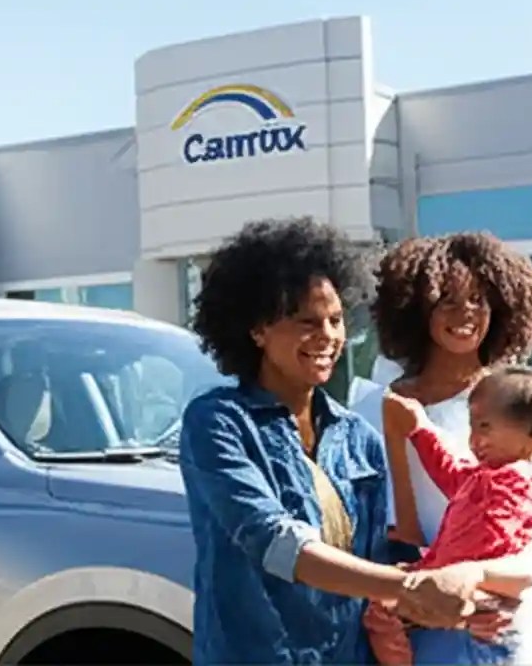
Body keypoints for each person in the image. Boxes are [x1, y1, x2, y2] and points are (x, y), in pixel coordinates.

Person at [178, 217, 498, 665]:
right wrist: (410, 587)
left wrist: (465, 600)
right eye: (307, 321)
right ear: (257, 330)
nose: (327, 336)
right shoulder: (218, 423)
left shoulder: (357, 437)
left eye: (335, 319)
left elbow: (382, 558)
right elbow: (274, 542)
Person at [350, 231, 532, 663]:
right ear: (417, 310)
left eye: (480, 299)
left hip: (487, 618)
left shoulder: (517, 407)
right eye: (448, 300)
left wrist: (479, 590)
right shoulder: (373, 405)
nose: (466, 313)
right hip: (402, 610)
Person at [364, 365, 532, 665]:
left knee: (382, 614)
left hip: (477, 623)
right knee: (380, 614)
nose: (474, 440)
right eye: (472, 427)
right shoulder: (487, 478)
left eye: (484, 426)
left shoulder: (523, 481)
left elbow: (497, 548)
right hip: (458, 604)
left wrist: (448, 581)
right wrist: (420, 429)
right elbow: (451, 472)